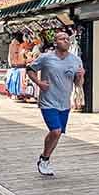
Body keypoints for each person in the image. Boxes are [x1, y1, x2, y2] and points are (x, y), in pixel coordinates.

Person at [26, 30, 84, 177]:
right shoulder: (46, 58)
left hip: (64, 103)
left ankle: (44, 159)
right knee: (55, 130)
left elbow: (78, 84)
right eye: (62, 39)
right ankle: (44, 159)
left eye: (67, 39)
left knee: (58, 134)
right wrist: (39, 83)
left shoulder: (76, 60)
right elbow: (29, 69)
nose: (66, 41)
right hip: (48, 101)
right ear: (55, 42)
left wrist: (80, 77)